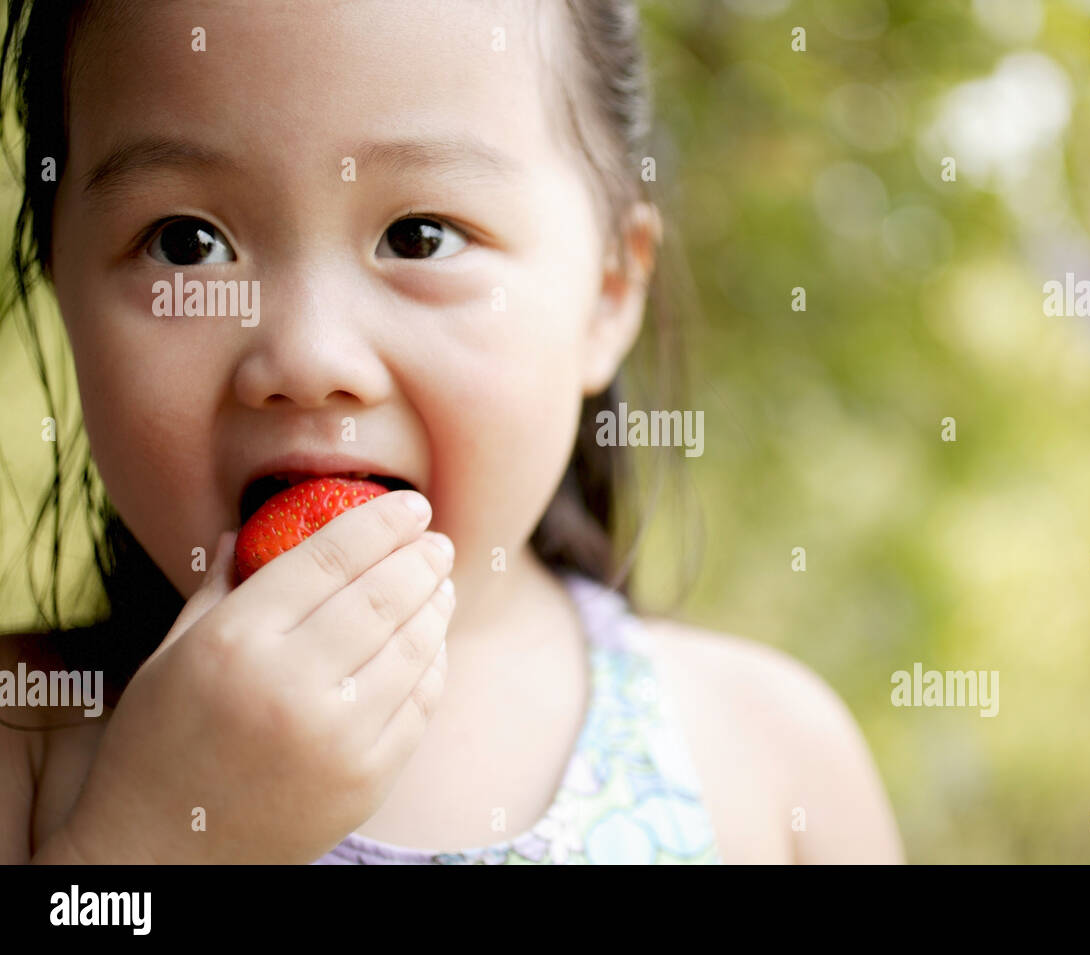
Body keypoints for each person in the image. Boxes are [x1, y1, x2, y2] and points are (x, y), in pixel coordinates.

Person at [0, 0, 904, 865]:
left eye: (421, 235)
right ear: (60, 280)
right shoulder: (26, 736)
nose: (312, 357)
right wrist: (153, 844)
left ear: (606, 292)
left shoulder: (769, 759)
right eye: (186, 243)